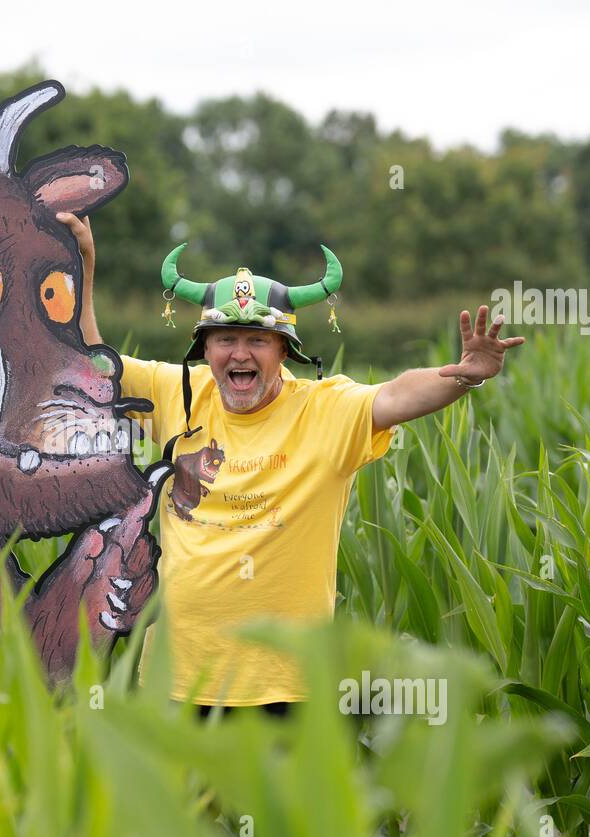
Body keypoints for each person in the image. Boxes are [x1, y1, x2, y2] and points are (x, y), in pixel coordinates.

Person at [56, 213, 524, 714]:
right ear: (205, 349)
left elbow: (398, 393)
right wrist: (84, 263)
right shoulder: (181, 393)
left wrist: (466, 376)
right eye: (225, 339)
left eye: (257, 340)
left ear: (284, 349)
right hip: (178, 684)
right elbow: (91, 364)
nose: (240, 353)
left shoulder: (326, 410)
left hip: (290, 687)